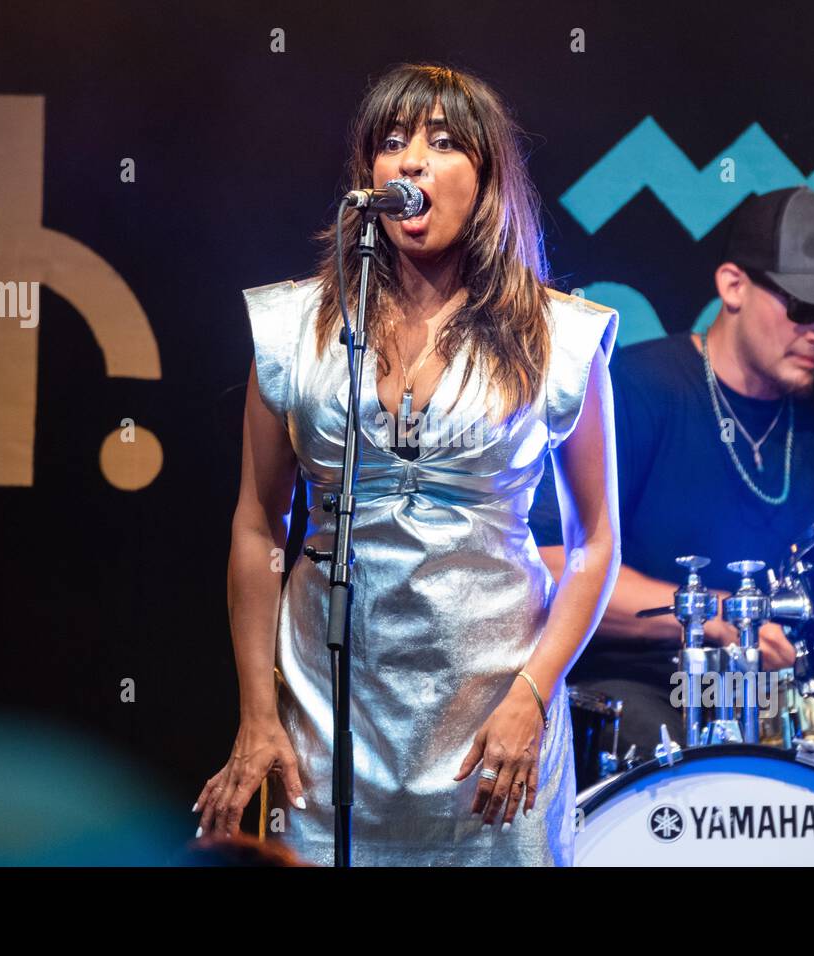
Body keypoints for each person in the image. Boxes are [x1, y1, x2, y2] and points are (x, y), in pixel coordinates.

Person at [194, 63, 620, 866]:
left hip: (495, 720)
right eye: (392, 144)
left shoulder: (559, 338)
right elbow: (257, 525)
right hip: (327, 719)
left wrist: (533, 694)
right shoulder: (294, 330)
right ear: (369, 178)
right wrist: (258, 711)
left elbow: (597, 543)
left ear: (487, 179)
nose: (411, 162)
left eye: (443, 143)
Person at [529, 186, 814, 769]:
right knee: (701, 760)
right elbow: (548, 563)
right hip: (638, 692)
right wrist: (713, 614)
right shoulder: (632, 390)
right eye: (806, 306)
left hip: (783, 704)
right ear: (733, 285)